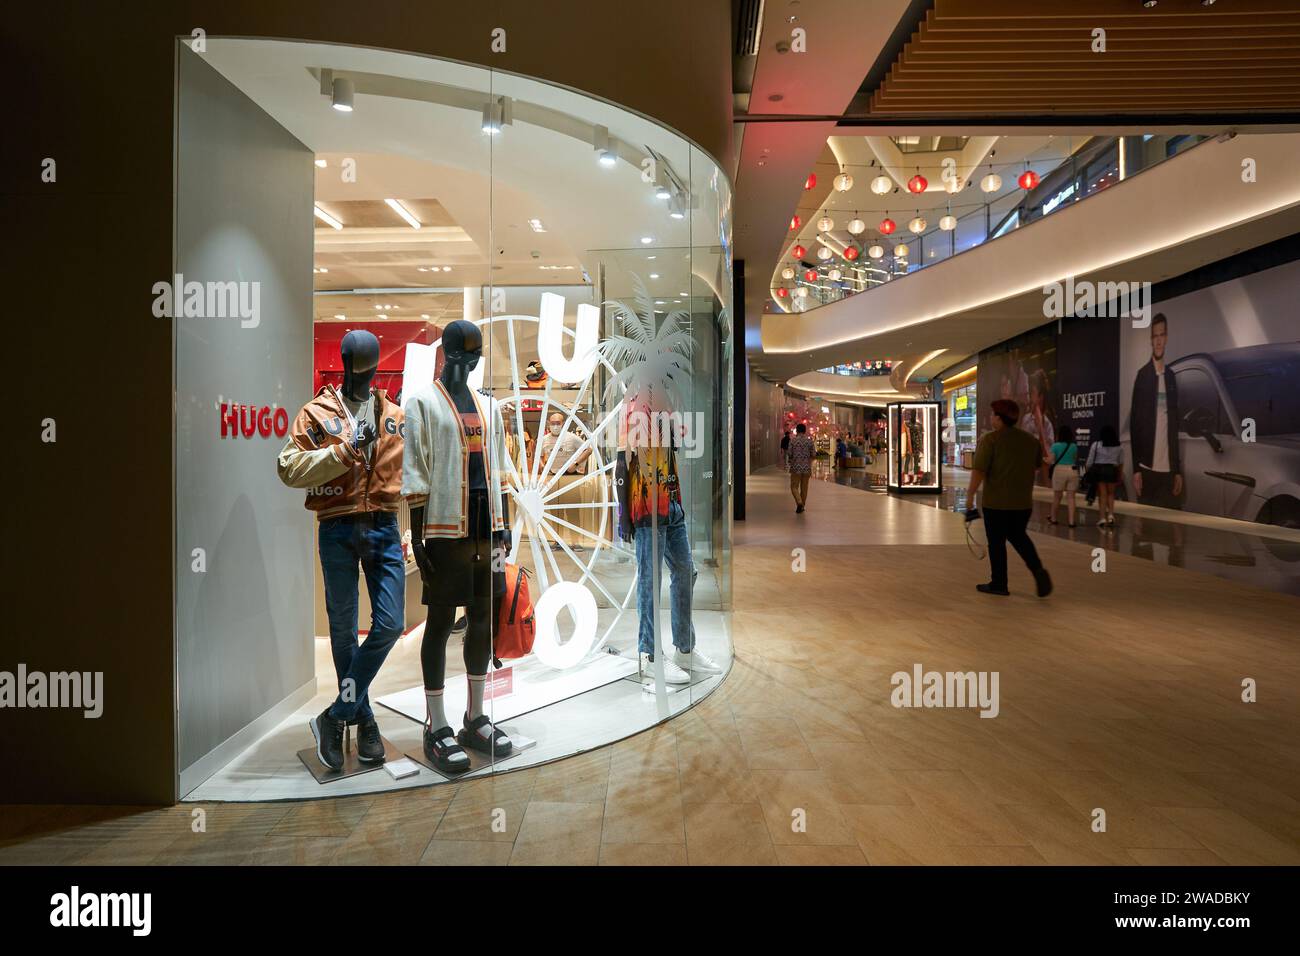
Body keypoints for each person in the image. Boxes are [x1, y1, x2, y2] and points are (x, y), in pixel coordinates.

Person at [966, 399, 1052, 597]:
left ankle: (999, 583)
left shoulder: (990, 440)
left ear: (999, 418)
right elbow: (1038, 465)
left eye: (993, 415)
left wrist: (970, 496)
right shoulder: (1030, 441)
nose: (990, 418)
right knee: (1019, 537)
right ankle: (1038, 570)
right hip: (1022, 503)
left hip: (995, 502)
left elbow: (979, 470)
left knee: (996, 543)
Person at [1129, 312, 1183, 509]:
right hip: (1146, 469)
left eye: (1162, 335)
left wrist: (1177, 470)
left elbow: (1173, 427)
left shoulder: (1171, 378)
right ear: (1151, 340)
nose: (1159, 340)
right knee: (1145, 534)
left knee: (1169, 531)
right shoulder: (1143, 376)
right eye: (1155, 336)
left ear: (1166, 338)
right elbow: (1135, 426)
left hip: (1168, 471)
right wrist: (1136, 469)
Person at [539, 410, 595, 552]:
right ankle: (557, 541)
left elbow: (588, 449)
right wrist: (544, 468)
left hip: (570, 477)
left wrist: (576, 464)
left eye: (558, 423)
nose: (555, 426)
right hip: (553, 479)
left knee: (572, 512)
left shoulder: (571, 438)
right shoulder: (544, 439)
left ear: (563, 424)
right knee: (554, 513)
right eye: (553, 423)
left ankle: (575, 542)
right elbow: (538, 455)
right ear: (549, 424)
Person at [1084, 424, 1124, 528]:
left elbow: (1089, 461)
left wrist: (1088, 470)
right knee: (1111, 494)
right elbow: (1120, 463)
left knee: (1102, 495)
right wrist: (1120, 475)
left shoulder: (1096, 445)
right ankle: (1111, 515)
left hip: (1099, 471)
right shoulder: (1118, 447)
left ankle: (1102, 518)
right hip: (1112, 470)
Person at [1047, 425, 1080, 527]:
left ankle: (1053, 518)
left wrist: (1045, 459)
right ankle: (1071, 521)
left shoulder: (1055, 446)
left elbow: (1050, 460)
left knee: (1057, 496)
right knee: (1071, 498)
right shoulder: (1074, 446)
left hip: (1059, 470)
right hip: (1072, 470)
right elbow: (1074, 458)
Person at [787, 423, 814, 513]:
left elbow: (789, 453)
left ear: (797, 431)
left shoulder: (793, 441)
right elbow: (813, 454)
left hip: (796, 467)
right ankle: (802, 506)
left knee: (794, 486)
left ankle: (799, 502)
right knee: (804, 488)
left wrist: (791, 460)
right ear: (805, 431)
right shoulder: (809, 441)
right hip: (806, 468)